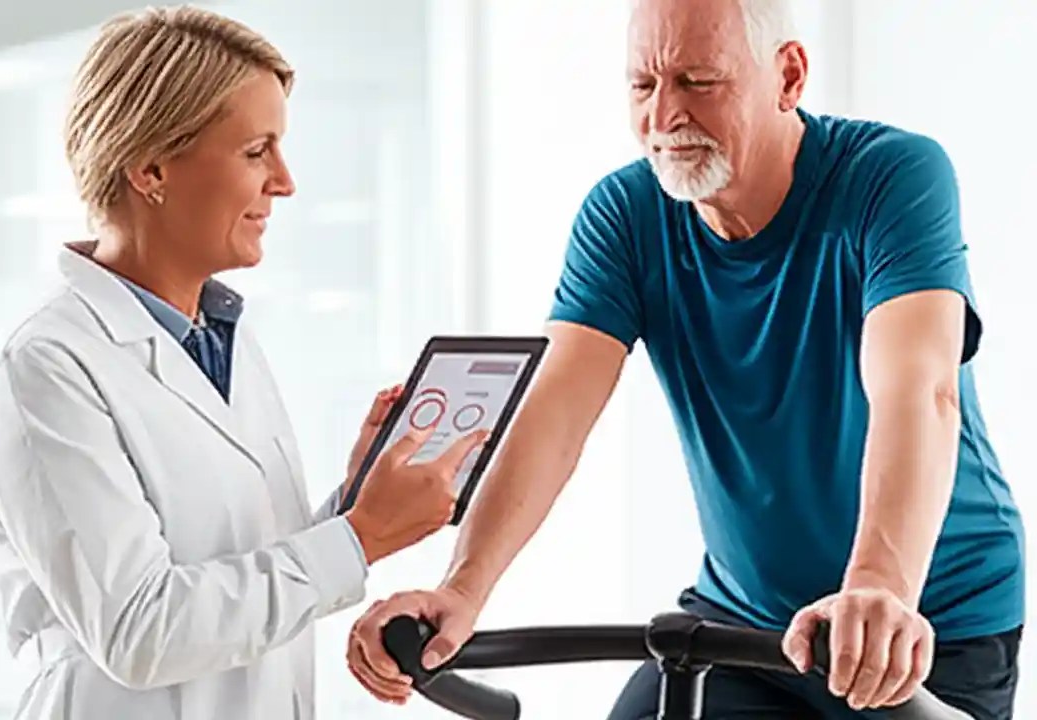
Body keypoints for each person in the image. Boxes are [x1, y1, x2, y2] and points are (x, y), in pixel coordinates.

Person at [346, 0, 1026, 717]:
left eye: (699, 81)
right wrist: (463, 589)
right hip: (748, 614)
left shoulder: (890, 178)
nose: (665, 116)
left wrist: (879, 588)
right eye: (643, 85)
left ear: (787, 76)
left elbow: (918, 390)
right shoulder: (627, 214)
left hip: (925, 619)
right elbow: (555, 411)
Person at [0, 7, 487, 720]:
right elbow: (140, 630)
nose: (285, 181)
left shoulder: (224, 339)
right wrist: (358, 540)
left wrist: (353, 509)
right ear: (150, 168)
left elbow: (237, 568)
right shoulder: (43, 371)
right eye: (256, 150)